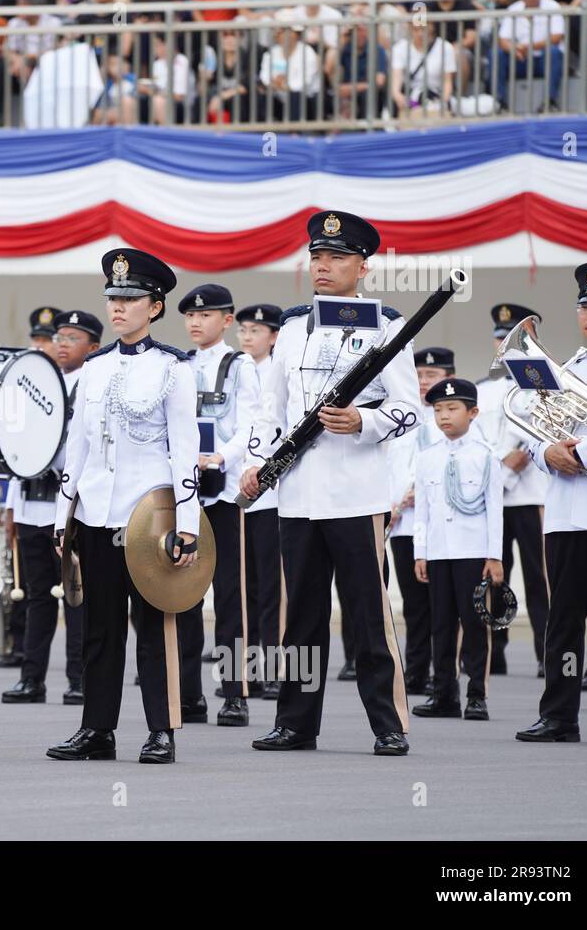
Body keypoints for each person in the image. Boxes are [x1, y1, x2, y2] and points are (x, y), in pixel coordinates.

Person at [242, 210, 419, 756]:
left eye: (337, 257)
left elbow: (410, 410)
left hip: (356, 493)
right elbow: (269, 412)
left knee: (369, 615)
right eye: (317, 257)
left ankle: (389, 724)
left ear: (363, 267)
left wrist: (364, 422)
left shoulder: (388, 328)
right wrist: (257, 462)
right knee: (302, 619)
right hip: (296, 495)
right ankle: (296, 723)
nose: (323, 266)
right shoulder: (292, 329)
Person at [46, 248, 201, 765]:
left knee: (156, 628)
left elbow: (184, 449)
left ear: (154, 306)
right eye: (113, 297)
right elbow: (78, 447)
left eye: (130, 298)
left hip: (148, 518)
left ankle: (162, 729)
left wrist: (188, 525)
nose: (118, 306)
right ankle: (97, 728)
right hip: (96, 514)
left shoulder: (174, 369)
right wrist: (62, 517)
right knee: (99, 629)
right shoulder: (94, 368)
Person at [517, 262, 587, 741]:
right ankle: (559, 715)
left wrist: (585, 451)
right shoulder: (569, 369)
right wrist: (547, 452)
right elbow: (536, 427)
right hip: (566, 513)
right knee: (563, 617)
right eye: (585, 306)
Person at [1, 309, 103, 706]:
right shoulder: (35, 381)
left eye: (73, 338)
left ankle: (79, 678)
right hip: (31, 500)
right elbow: (16, 443)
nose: (62, 344)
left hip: (68, 503)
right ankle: (32, 678)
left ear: (92, 347)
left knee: (76, 594)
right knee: (36, 594)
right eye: (59, 336)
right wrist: (11, 507)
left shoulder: (92, 384)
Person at [178, 284, 262, 726]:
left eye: (206, 315)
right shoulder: (178, 365)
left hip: (225, 493)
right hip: (186, 494)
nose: (196, 323)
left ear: (227, 320)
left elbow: (250, 422)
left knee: (232, 598)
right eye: (191, 316)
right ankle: (189, 694)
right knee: (183, 595)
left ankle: (236, 694)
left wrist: (221, 457)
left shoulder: (241, 366)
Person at [412, 378, 504, 720]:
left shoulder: (485, 456)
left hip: (472, 551)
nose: (444, 417)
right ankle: (443, 694)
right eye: (437, 410)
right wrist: (420, 551)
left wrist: (494, 555)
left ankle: (476, 695)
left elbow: (495, 507)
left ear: (473, 412)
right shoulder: (427, 457)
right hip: (438, 551)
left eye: (452, 409)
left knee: (475, 624)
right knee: (441, 625)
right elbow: (422, 507)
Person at [476, 303, 549, 677]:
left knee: (539, 578)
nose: (505, 343)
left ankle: (545, 654)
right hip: (494, 495)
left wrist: (515, 458)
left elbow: (545, 432)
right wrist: (501, 466)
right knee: (491, 575)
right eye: (500, 338)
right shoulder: (483, 391)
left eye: (514, 336)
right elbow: (478, 438)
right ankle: (495, 654)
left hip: (530, 495)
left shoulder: (546, 385)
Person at [386, 348, 450, 697]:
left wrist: (416, 492)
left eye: (432, 376)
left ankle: (444, 675)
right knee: (413, 604)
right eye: (420, 376)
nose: (424, 383)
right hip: (402, 525)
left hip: (436, 525)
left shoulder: (446, 421)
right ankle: (415, 668)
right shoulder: (403, 418)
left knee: (440, 604)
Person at [235, 303, 283, 699]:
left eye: (256, 330)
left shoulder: (278, 373)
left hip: (273, 496)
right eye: (244, 330)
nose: (248, 337)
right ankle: (247, 671)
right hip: (237, 493)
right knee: (243, 587)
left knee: (271, 587)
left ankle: (276, 667)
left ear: (274, 337)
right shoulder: (236, 371)